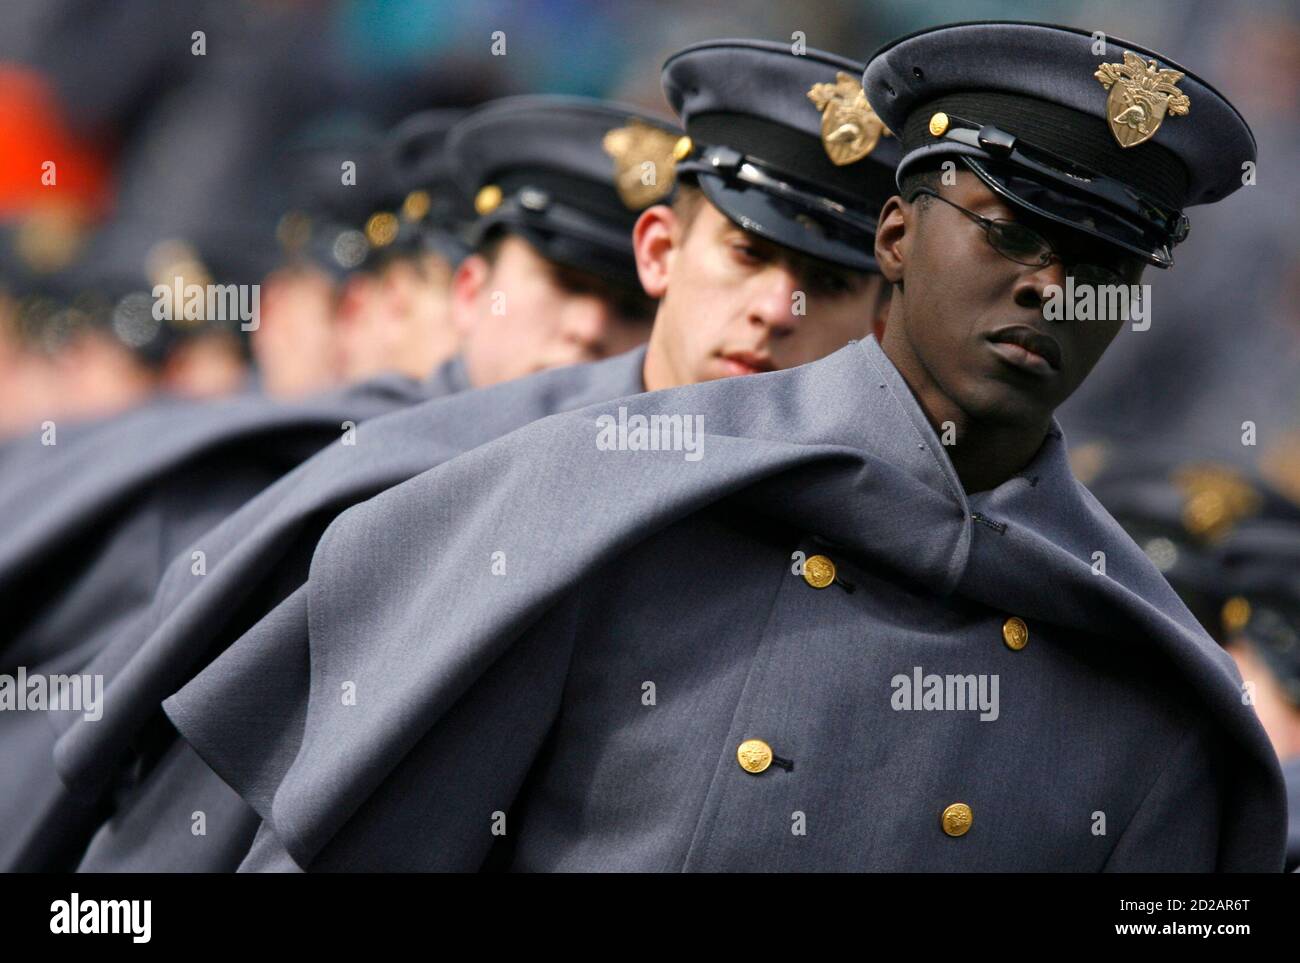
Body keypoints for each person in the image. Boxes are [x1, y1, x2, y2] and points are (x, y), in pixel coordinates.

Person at [169, 22, 1286, 872]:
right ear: (897, 236)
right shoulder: (584, 510)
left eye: (1101, 268)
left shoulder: (1150, 678)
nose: (1049, 286)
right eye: (1009, 232)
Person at [51, 41, 900, 872]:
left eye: (825, 284)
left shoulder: (890, 528)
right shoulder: (424, 472)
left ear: (879, 319)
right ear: (662, 256)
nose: (774, 310)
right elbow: (196, 823)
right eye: (747, 254)